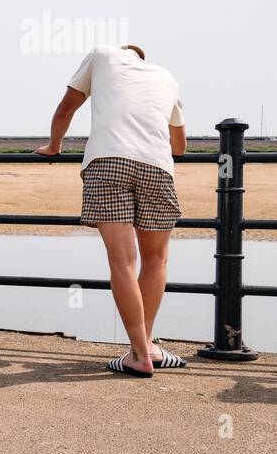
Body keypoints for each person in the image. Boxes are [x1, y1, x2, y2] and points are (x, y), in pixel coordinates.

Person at [35, 45, 187, 377]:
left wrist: (54, 146)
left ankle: (139, 354)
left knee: (123, 261)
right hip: (158, 167)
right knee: (156, 259)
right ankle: (145, 345)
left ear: (124, 53)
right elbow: (179, 146)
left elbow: (66, 109)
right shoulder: (167, 78)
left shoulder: (102, 55)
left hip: (109, 161)